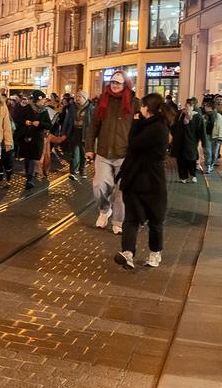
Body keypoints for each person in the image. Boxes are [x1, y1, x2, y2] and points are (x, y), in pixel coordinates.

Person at [115, 93, 174, 269]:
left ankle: (155, 253)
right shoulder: (147, 123)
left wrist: (135, 123)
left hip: (151, 181)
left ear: (149, 108)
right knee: (131, 218)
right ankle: (128, 253)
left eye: (142, 105)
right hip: (135, 179)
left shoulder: (158, 127)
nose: (139, 108)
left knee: (155, 220)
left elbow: (134, 143)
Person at [85, 70, 140, 234]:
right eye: (113, 83)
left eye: (118, 83)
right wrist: (89, 148)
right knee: (99, 185)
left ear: (126, 84)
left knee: (122, 190)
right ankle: (104, 210)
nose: (115, 86)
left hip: (125, 154)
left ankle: (118, 222)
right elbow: (93, 125)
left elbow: (140, 127)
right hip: (103, 152)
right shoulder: (103, 101)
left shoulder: (134, 102)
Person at [14, 90, 51, 190]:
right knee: (28, 158)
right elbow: (16, 118)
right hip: (27, 136)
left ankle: (29, 177)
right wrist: (25, 122)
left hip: (37, 137)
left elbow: (49, 124)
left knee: (33, 158)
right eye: (42, 99)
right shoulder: (26, 108)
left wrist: (40, 123)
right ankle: (29, 177)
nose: (43, 101)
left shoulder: (44, 111)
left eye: (44, 100)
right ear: (37, 100)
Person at [170, 98, 205, 184]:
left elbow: (201, 130)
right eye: (186, 105)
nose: (186, 107)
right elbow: (173, 126)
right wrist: (174, 137)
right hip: (180, 142)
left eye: (189, 105)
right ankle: (183, 177)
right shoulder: (180, 114)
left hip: (191, 142)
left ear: (193, 106)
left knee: (191, 159)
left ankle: (193, 175)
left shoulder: (197, 117)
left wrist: (204, 141)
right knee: (181, 160)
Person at [62, 90, 93, 180]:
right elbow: (67, 120)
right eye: (76, 97)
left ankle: (82, 169)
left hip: (85, 133)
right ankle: (73, 171)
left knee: (83, 153)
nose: (77, 99)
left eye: (79, 97)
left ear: (85, 98)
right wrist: (64, 132)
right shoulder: (72, 107)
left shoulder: (91, 108)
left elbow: (93, 123)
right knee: (74, 153)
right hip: (74, 132)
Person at [206, 99, 222, 173]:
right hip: (208, 136)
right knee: (208, 152)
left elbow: (220, 127)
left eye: (207, 106)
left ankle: (212, 164)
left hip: (216, 137)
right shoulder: (205, 116)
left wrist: (220, 137)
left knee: (215, 153)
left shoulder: (218, 116)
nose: (205, 108)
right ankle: (208, 166)